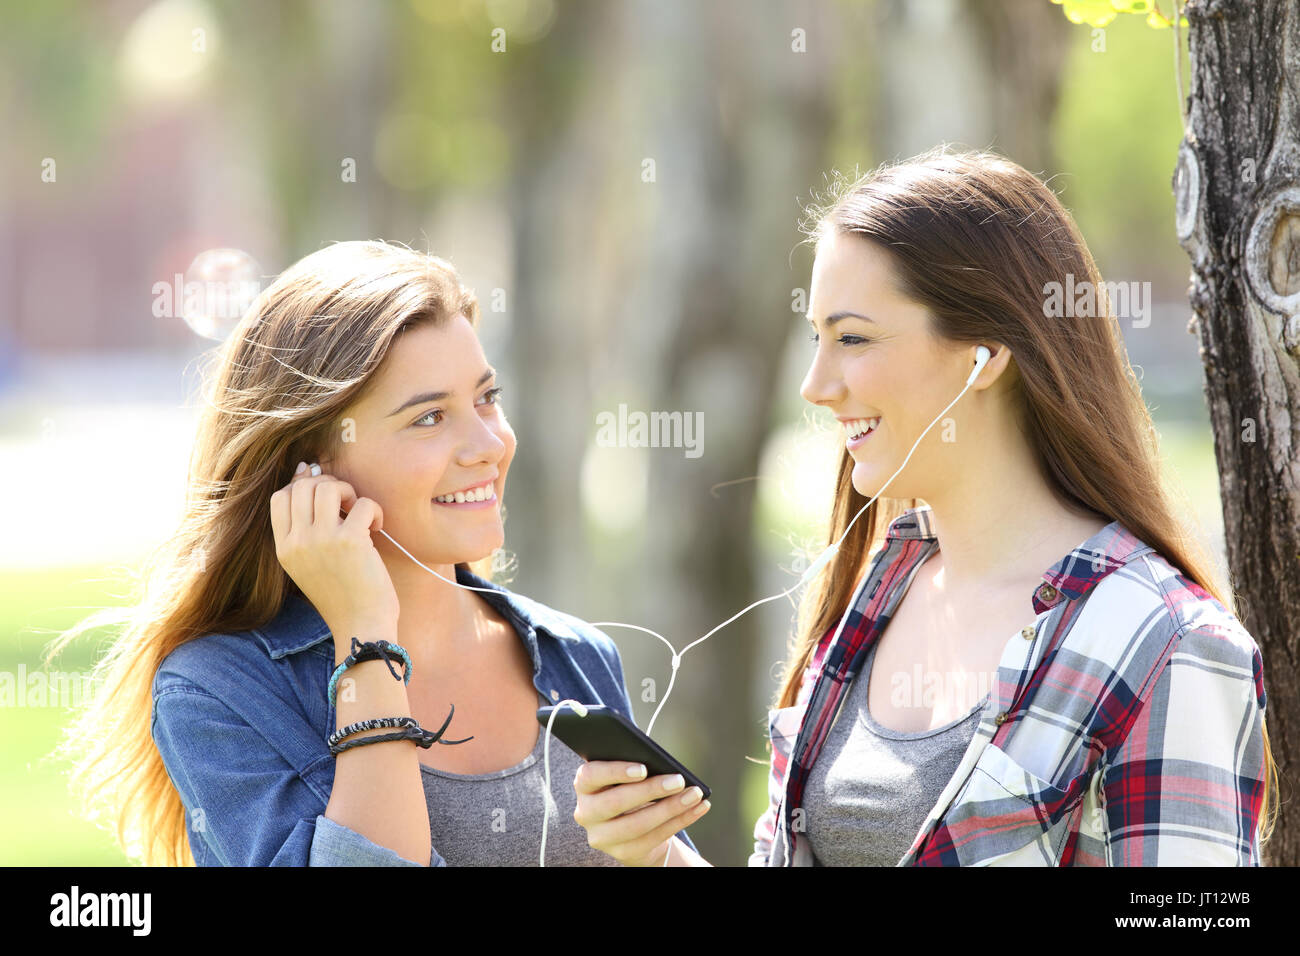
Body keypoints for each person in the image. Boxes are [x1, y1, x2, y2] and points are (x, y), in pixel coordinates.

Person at [571, 146, 1277, 866]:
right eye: (817, 339)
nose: (815, 385)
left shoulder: (1168, 645)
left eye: (852, 338)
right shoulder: (872, 600)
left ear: (987, 351)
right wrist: (657, 854)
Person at [51, 240, 700, 866]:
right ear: (312, 467)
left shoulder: (578, 657)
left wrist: (652, 858)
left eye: (486, 399)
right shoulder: (217, 693)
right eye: (429, 418)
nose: (488, 445)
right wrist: (365, 639)